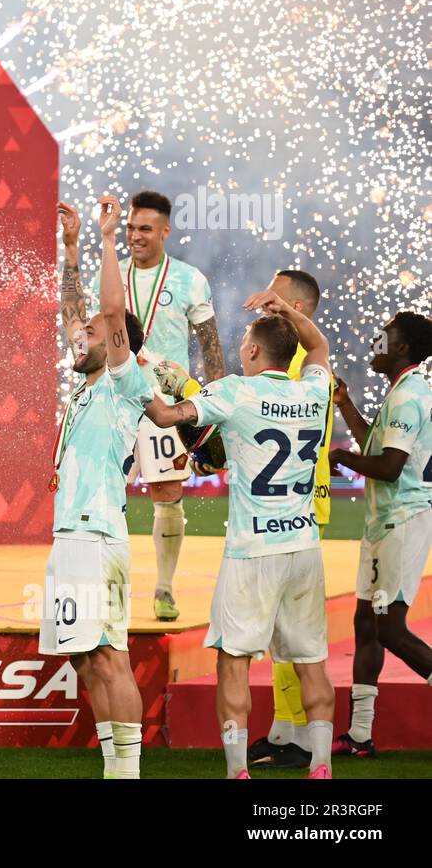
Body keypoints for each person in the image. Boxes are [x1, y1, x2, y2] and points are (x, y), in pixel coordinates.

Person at [148, 290, 335, 779]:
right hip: (304, 550)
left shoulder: (235, 390)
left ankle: (237, 772)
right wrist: (289, 312)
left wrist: (156, 383)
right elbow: (319, 349)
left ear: (253, 350)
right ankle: (321, 766)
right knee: (310, 661)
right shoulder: (314, 388)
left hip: (253, 552)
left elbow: (169, 418)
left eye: (244, 340)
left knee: (234, 661)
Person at [45, 198, 152, 778]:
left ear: (114, 341)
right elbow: (78, 311)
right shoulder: (90, 384)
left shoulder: (120, 378)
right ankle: (116, 768)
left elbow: (110, 310)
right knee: (87, 659)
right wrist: (69, 251)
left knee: (110, 657)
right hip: (75, 537)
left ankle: (127, 774)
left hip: (94, 537)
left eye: (90, 332)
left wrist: (107, 238)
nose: (77, 334)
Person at [94, 191, 225, 622]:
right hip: (114, 400)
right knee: (103, 496)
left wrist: (219, 404)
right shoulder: (115, 275)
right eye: (131, 228)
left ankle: (164, 589)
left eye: (144, 229)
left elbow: (209, 347)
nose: (135, 236)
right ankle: (110, 589)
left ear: (165, 232)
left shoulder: (189, 280)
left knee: (167, 495)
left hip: (164, 405)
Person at [328, 311, 432, 758]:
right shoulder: (401, 391)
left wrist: (341, 458)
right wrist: (344, 403)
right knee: (366, 625)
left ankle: (360, 735)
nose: (377, 339)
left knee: (389, 628)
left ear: (404, 346)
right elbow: (376, 443)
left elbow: (389, 467)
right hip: (382, 523)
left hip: (403, 520)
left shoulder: (411, 396)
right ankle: (360, 736)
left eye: (386, 333)